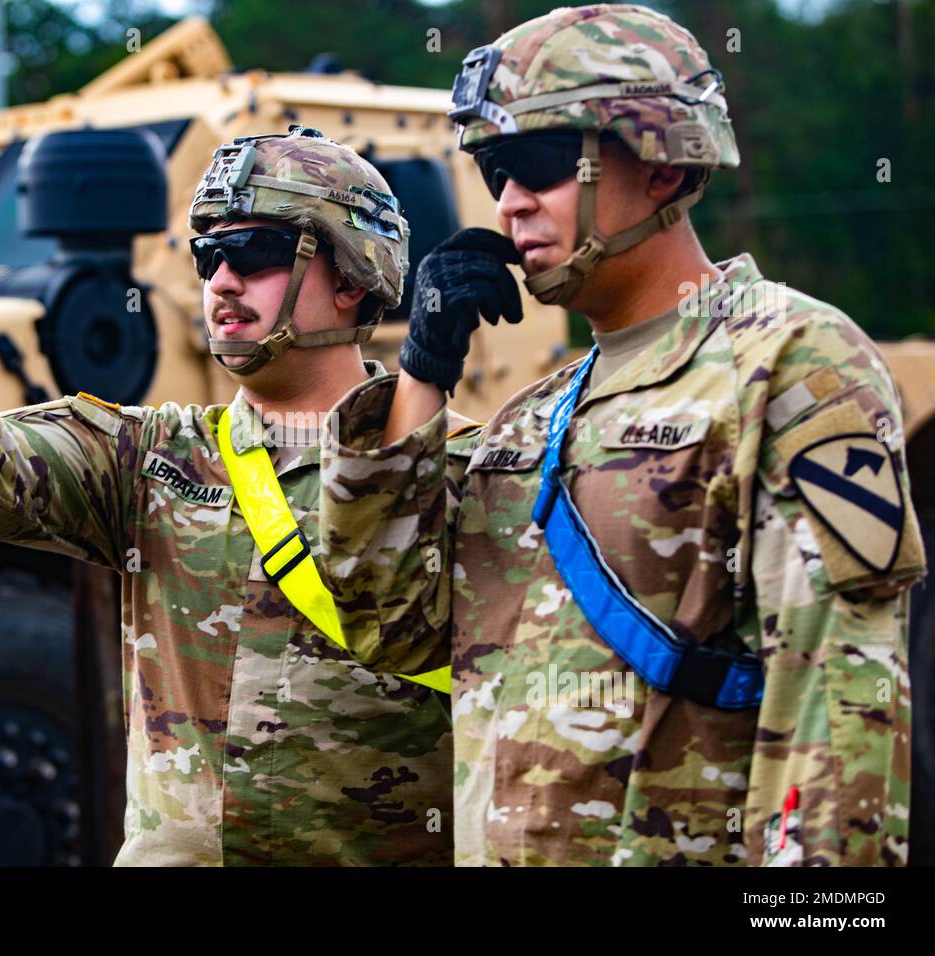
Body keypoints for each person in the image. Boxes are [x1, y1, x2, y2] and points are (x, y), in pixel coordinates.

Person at [0, 126, 478, 866]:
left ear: (352, 275)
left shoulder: (465, 465)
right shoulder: (150, 457)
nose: (219, 281)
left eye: (253, 252)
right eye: (207, 255)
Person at [317, 4, 926, 866]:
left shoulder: (789, 362)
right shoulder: (533, 418)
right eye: (493, 169)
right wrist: (420, 373)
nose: (509, 201)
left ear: (665, 166)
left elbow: (839, 700)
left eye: (535, 162)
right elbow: (391, 627)